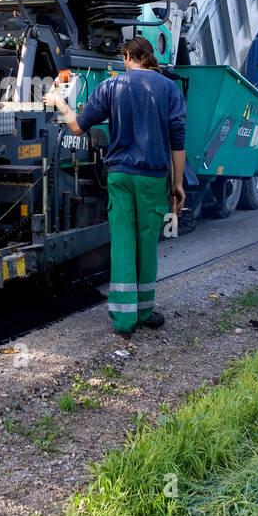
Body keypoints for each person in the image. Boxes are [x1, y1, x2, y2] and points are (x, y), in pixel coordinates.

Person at [44, 36, 187, 338]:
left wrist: (59, 102)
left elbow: (78, 127)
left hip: (120, 176)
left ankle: (123, 320)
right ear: (149, 57)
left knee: (122, 244)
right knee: (147, 244)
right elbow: (178, 141)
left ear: (127, 57)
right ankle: (145, 312)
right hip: (152, 178)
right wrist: (177, 183)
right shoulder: (170, 89)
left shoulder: (111, 86)